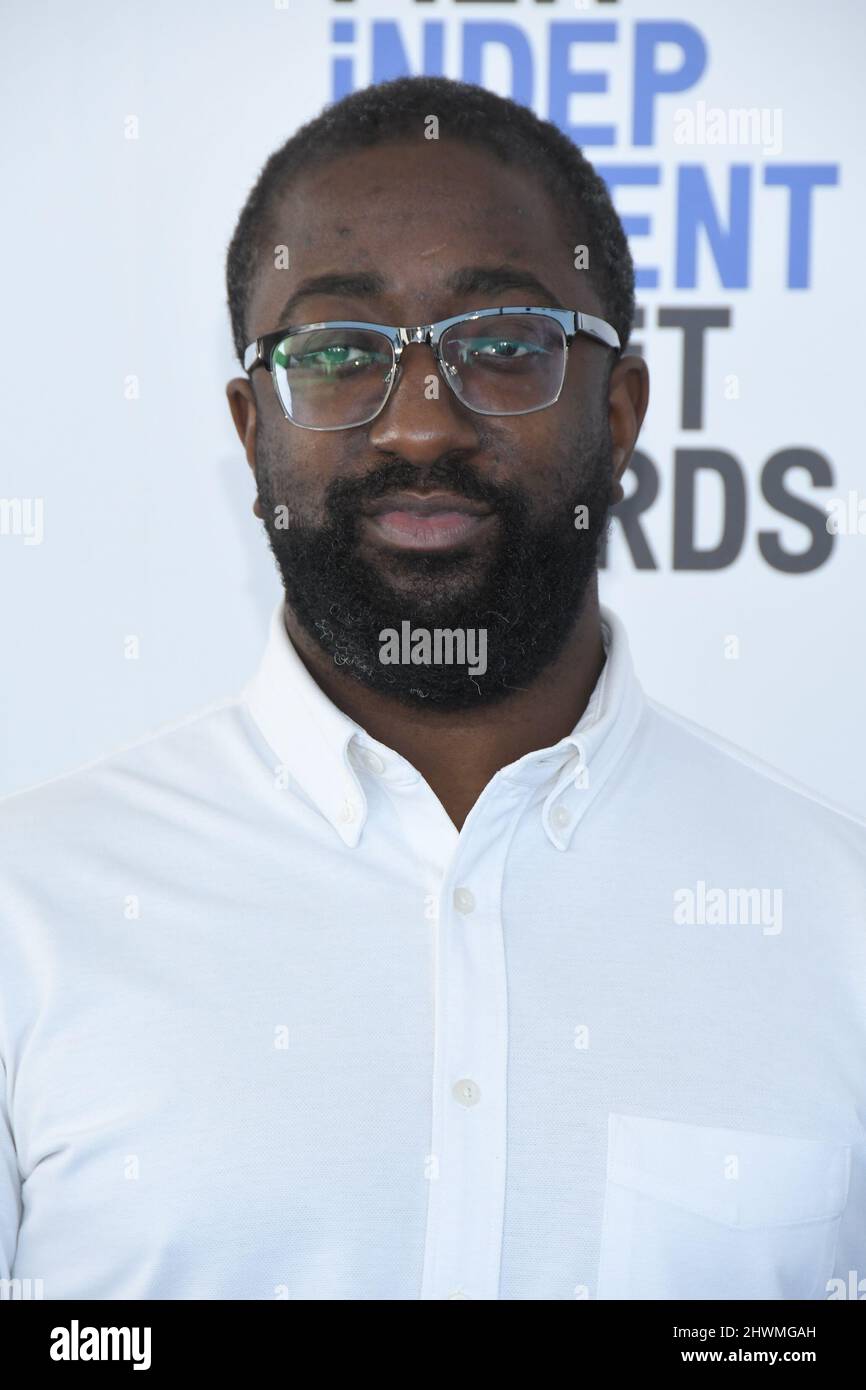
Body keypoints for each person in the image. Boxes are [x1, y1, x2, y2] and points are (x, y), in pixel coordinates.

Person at [1, 76, 863, 1302]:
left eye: (503, 345)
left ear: (618, 413)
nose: (417, 424)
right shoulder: (28, 913)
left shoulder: (835, 926)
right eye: (340, 350)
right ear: (251, 431)